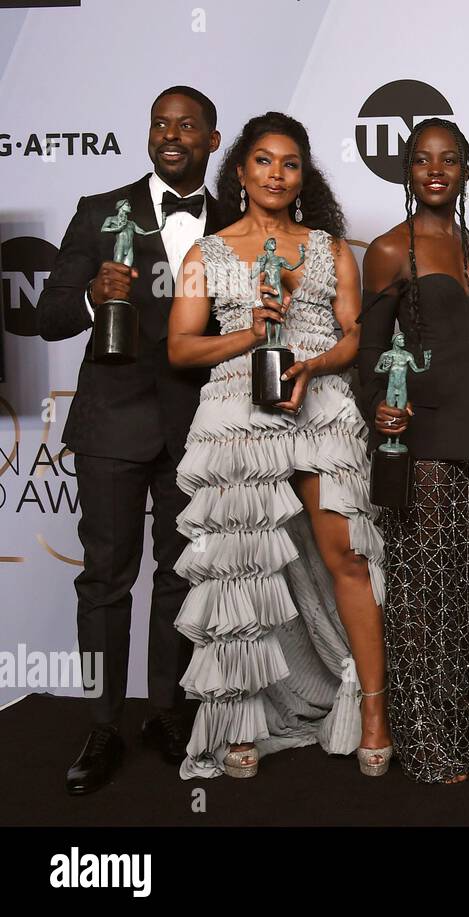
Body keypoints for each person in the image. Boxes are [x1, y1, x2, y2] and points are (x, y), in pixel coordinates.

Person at [167, 112, 391, 779]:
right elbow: (181, 346)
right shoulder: (205, 253)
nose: (275, 173)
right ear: (239, 172)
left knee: (345, 552)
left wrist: (312, 366)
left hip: (318, 399)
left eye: (289, 163)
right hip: (237, 404)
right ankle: (238, 716)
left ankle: (375, 710)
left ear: (303, 176)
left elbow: (354, 335)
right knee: (242, 566)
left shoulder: (328, 248)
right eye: (262, 160)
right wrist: (250, 333)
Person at [36, 86, 225, 796]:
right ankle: (104, 721)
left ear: (211, 138)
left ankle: (168, 712)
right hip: (114, 423)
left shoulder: (235, 219)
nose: (170, 135)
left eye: (186, 126)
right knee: (107, 578)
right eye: (159, 124)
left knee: (181, 575)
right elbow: (48, 316)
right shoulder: (98, 211)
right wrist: (91, 297)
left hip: (197, 425)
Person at [357, 117, 469, 784]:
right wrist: (380, 410)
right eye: (422, 159)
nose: (435, 170)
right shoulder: (391, 251)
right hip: (419, 445)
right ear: (408, 171)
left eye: (449, 160)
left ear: (466, 171)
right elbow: (369, 356)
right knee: (423, 597)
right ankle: (423, 739)